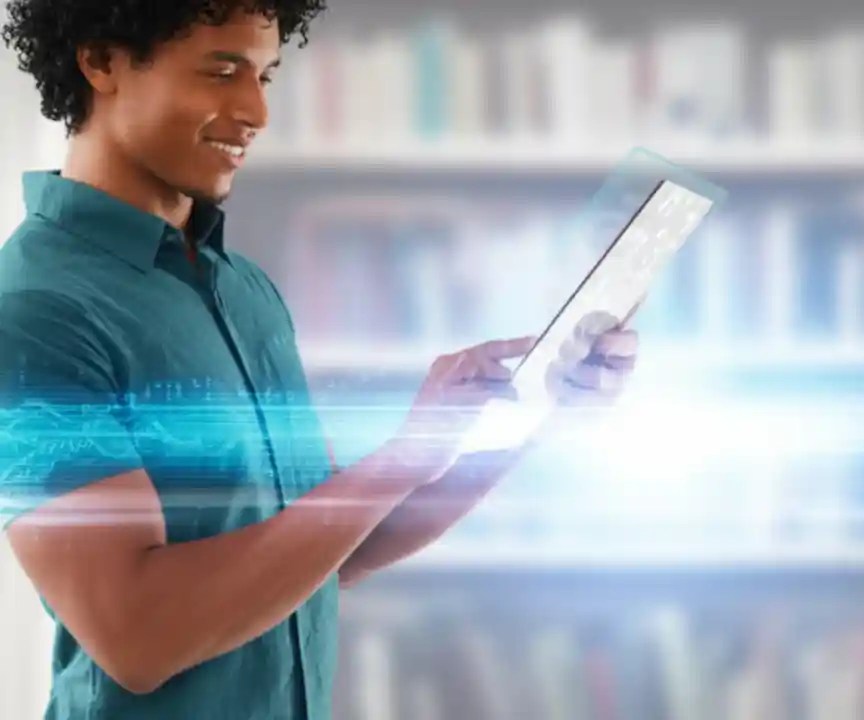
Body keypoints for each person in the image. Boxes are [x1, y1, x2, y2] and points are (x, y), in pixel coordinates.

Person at [0, 1, 640, 718]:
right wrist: (397, 459)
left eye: (265, 75)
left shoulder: (243, 289)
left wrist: (537, 412)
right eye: (221, 70)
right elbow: (139, 634)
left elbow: (338, 550)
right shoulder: (31, 311)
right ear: (102, 60)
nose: (255, 111)